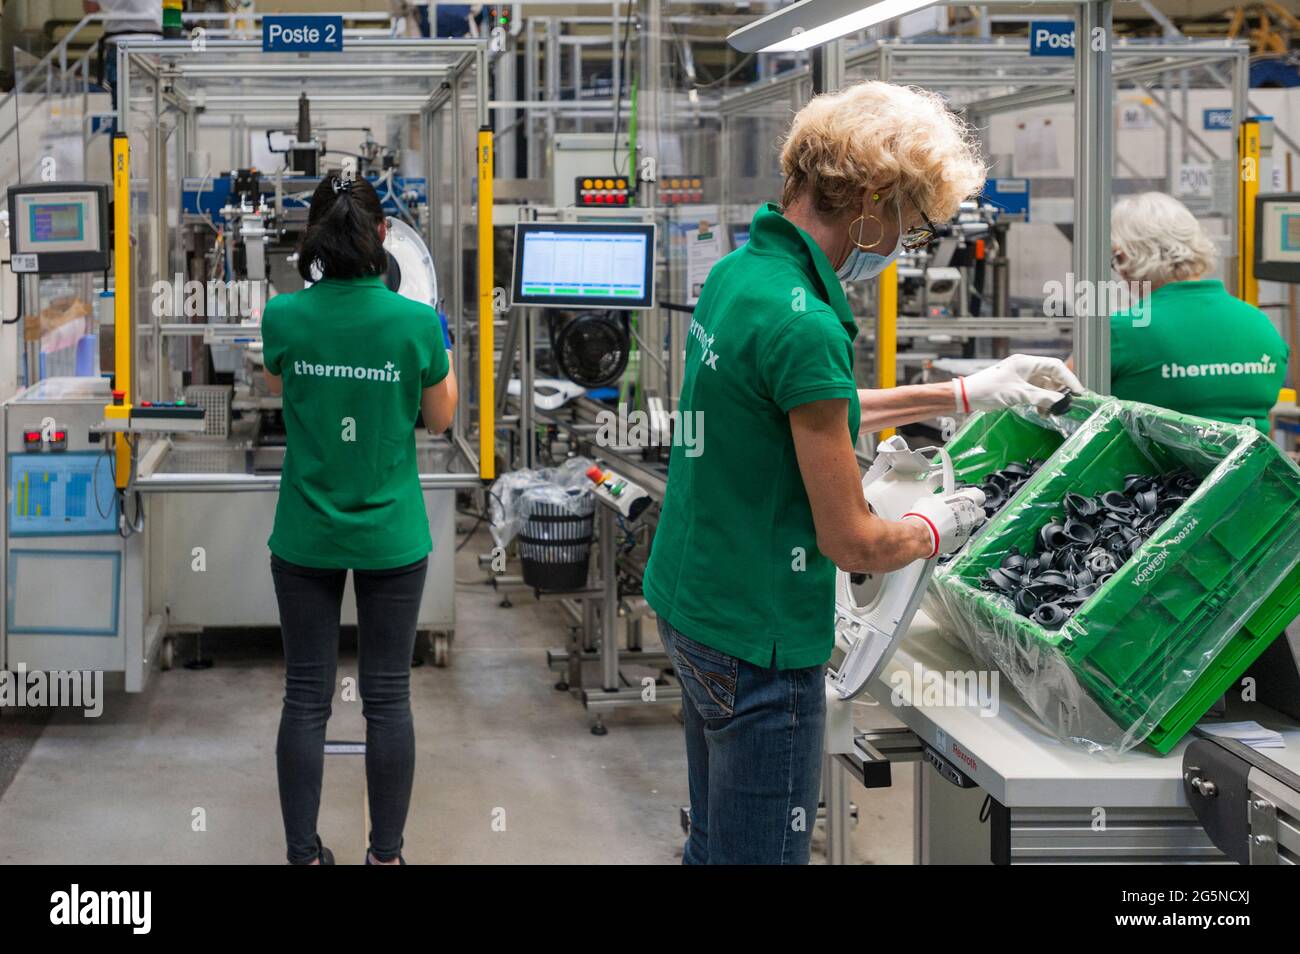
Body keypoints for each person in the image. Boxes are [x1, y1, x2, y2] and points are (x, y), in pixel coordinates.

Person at [641, 80, 1083, 865]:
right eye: (910, 227)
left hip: (693, 603)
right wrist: (937, 526)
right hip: (760, 640)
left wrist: (963, 392)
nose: (902, 244)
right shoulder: (805, 323)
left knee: (712, 846)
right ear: (874, 200)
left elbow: (810, 407)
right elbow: (853, 543)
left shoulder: (741, 275)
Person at [261, 176, 458, 865]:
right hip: (390, 536)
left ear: (312, 239)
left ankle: (304, 855)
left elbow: (280, 385)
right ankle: (386, 855)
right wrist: (437, 352)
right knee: (387, 699)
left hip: (306, 533)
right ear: (383, 239)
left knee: (306, 697)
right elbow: (440, 419)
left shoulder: (284, 316)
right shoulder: (415, 323)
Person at [1108, 192, 1289, 433]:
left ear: (1124, 257)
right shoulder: (1260, 323)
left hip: (1152, 471)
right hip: (1248, 469)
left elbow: (1057, 395)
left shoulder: (1122, 329)